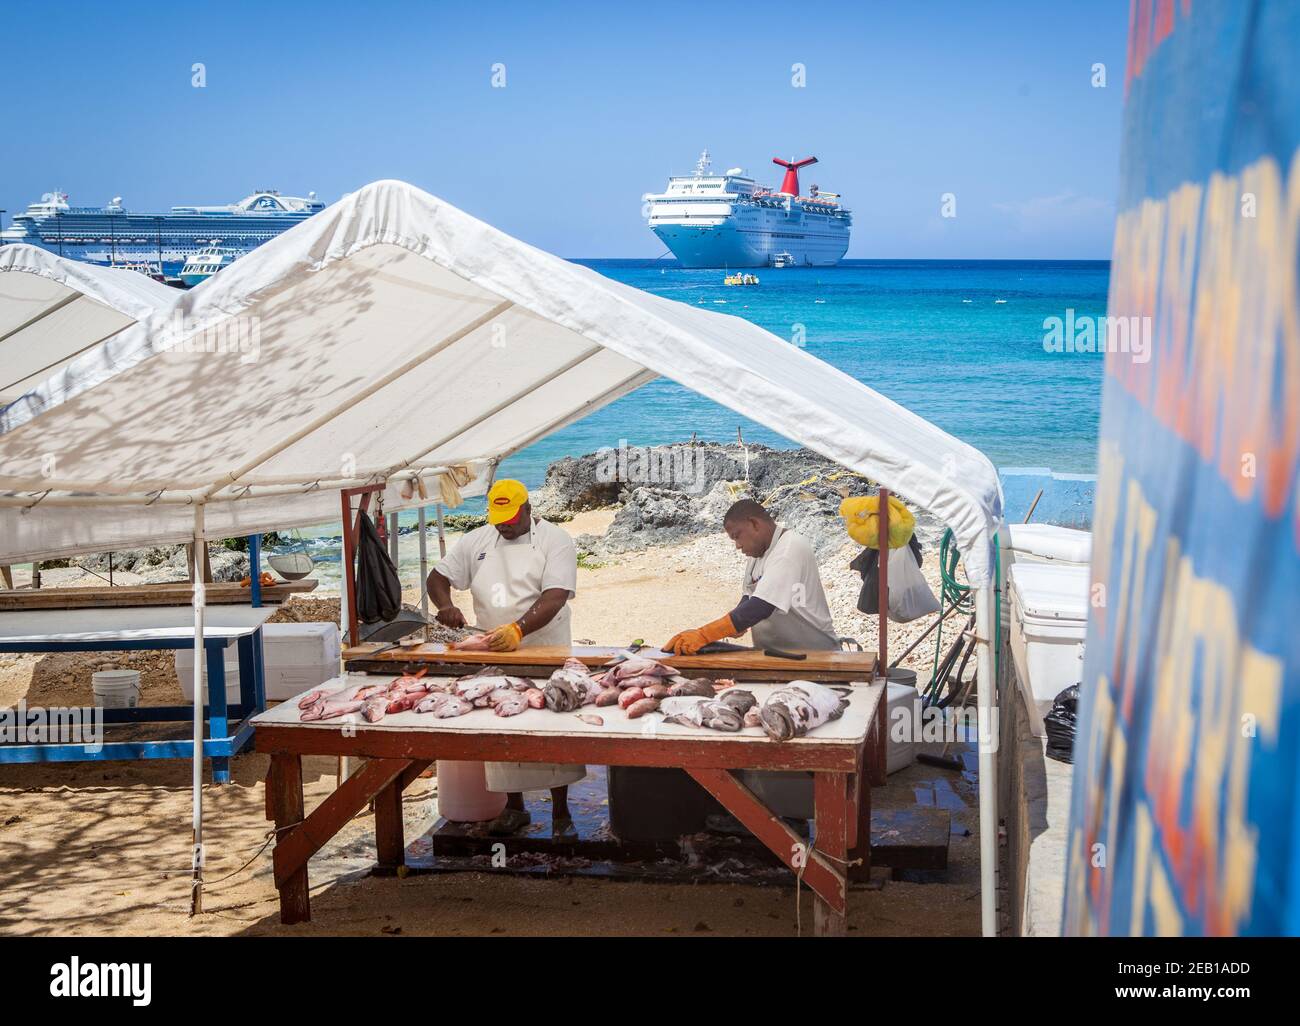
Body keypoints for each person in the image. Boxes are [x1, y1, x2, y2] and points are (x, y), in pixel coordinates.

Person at [664, 498, 840, 831]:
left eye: (737, 536)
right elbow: (747, 604)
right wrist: (721, 633)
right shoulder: (760, 555)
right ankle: (768, 812)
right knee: (769, 734)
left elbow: (759, 607)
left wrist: (704, 633)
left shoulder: (790, 548)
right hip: (773, 658)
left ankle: (798, 817)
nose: (736, 545)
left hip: (813, 658)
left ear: (756, 524)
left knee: (802, 738)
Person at [426, 479, 584, 839]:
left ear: (528, 509)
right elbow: (437, 577)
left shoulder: (554, 540)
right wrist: (446, 605)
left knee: (550, 726)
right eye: (499, 519)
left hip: (546, 645)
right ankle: (514, 807)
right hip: (491, 646)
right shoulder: (477, 540)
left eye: (511, 518)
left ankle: (561, 812)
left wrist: (518, 630)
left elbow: (555, 596)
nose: (505, 525)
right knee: (503, 726)